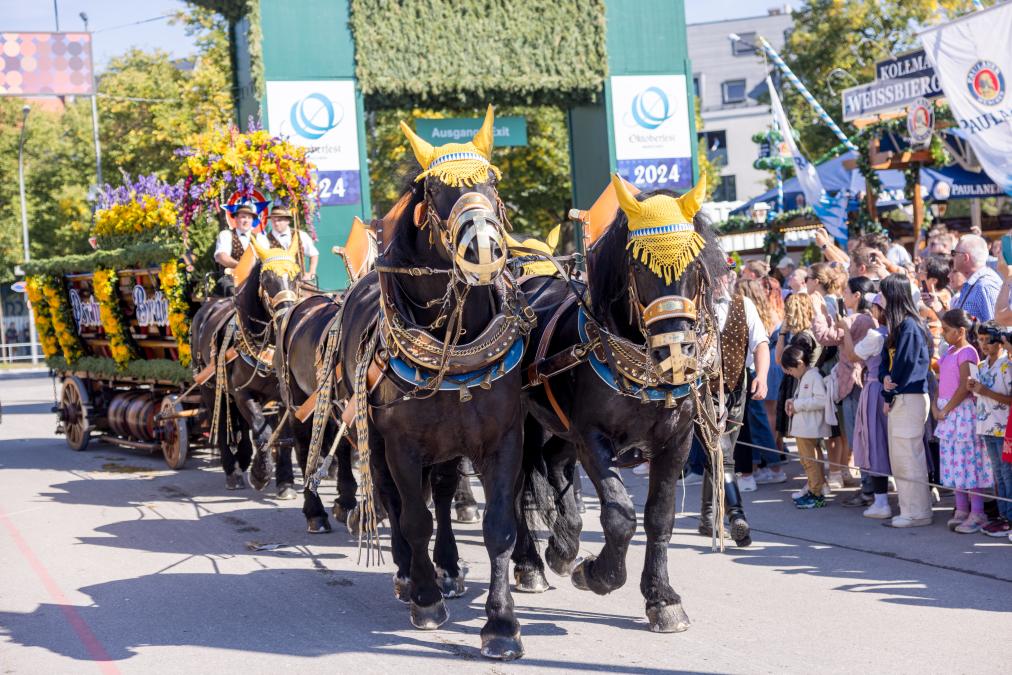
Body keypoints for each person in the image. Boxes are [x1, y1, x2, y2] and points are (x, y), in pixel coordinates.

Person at [697, 264, 770, 547]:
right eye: (714, 271)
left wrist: (761, 376)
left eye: (725, 271)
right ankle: (736, 516)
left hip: (737, 389)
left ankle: (706, 516)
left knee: (718, 453)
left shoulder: (744, 304)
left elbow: (760, 343)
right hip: (704, 390)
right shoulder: (696, 305)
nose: (720, 278)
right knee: (721, 451)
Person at [815, 276, 878, 501]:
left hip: (853, 384)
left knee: (858, 438)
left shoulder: (858, 320)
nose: (843, 295)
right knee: (860, 438)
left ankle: (868, 488)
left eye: (847, 291)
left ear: (857, 296)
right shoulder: (866, 319)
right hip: (859, 382)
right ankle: (869, 486)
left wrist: (819, 311)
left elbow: (825, 337)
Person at [880, 273, 933, 528]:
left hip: (909, 396)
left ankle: (917, 512)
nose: (880, 298)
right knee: (901, 458)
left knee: (909, 457)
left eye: (884, 293)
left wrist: (890, 386)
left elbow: (907, 364)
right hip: (901, 395)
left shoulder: (911, 326)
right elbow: (886, 363)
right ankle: (908, 509)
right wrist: (885, 379)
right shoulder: (900, 326)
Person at [933, 309, 992, 533]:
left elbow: (964, 387)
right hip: (948, 413)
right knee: (954, 461)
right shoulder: (949, 351)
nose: (943, 334)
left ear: (961, 331)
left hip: (961, 413)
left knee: (968, 462)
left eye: (947, 330)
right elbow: (943, 380)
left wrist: (946, 409)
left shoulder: (967, 353)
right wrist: (938, 402)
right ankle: (961, 508)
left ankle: (977, 512)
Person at [735, 278, 787, 489]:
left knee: (760, 421)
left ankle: (775, 467)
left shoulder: (751, 311)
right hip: (757, 367)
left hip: (757, 369)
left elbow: (760, 343)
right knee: (755, 421)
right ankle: (760, 466)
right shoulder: (761, 309)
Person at [848, 294, 892, 517]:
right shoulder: (896, 332)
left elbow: (851, 354)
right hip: (892, 390)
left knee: (875, 442)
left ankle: (881, 500)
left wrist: (844, 330)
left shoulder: (875, 335)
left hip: (876, 390)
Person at [967, 322, 1012, 536]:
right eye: (980, 339)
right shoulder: (983, 366)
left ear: (1000, 342)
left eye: (988, 340)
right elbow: (981, 395)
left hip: (1003, 428)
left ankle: (1009, 517)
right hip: (986, 427)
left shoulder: (1007, 366)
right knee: (998, 474)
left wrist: (985, 390)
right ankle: (1003, 516)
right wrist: (975, 389)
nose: (983, 344)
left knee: (1007, 473)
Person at [782, 344, 830, 509]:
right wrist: (793, 402)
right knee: (810, 461)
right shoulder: (805, 377)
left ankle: (816, 494)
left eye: (790, 369)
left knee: (809, 461)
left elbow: (821, 400)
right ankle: (815, 488)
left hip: (809, 428)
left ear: (800, 363)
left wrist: (798, 405)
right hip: (806, 428)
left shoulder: (812, 377)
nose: (789, 373)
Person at [951, 234, 1002, 322]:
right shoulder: (974, 283)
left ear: (965, 258)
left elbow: (997, 330)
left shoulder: (985, 286)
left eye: (954, 253)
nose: (952, 257)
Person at [263, 205, 319, 282]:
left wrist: (311, 272)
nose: (276, 223)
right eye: (273, 220)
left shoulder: (301, 235)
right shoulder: (265, 239)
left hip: (300, 281)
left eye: (279, 220)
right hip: (276, 284)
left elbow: (313, 254)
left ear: (288, 221)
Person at [213, 201, 258, 295]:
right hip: (232, 277)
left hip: (255, 278)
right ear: (236, 218)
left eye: (249, 217)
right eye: (243, 217)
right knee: (233, 291)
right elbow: (221, 256)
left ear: (252, 220)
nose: (246, 220)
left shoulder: (260, 238)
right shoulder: (226, 235)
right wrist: (241, 266)